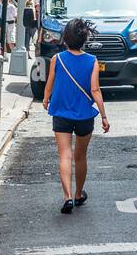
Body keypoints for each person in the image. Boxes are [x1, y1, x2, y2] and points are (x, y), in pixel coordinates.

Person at [43, 18, 110, 214]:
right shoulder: (92, 60)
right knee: (80, 157)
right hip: (84, 115)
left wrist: (46, 99)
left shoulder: (58, 59)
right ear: (84, 39)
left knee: (65, 155)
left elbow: (50, 84)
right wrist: (104, 116)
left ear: (66, 37)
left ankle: (67, 197)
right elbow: (95, 90)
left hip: (61, 112)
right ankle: (79, 193)